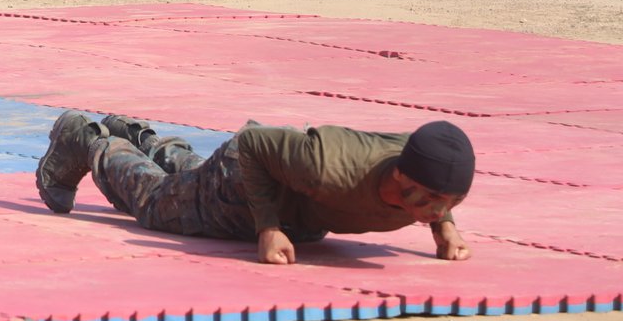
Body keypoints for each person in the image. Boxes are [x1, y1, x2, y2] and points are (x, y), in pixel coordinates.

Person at [34, 110, 475, 265]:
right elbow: (253, 145)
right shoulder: (329, 166)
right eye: (435, 203)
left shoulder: (420, 165)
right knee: (154, 203)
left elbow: (439, 175)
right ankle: (87, 138)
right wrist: (267, 226)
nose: (440, 209)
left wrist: (444, 228)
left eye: (451, 203)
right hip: (244, 184)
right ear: (400, 176)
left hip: (291, 195)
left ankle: (139, 136)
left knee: (188, 182)